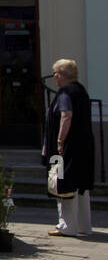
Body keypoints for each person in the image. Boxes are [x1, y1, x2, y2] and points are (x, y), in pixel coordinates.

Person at [43, 58, 94, 237]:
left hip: (67, 148)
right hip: (84, 146)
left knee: (63, 183)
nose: (55, 77)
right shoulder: (81, 90)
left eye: (56, 73)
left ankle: (66, 226)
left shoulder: (65, 92)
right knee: (81, 185)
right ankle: (83, 226)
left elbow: (66, 116)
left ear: (63, 75)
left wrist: (59, 141)